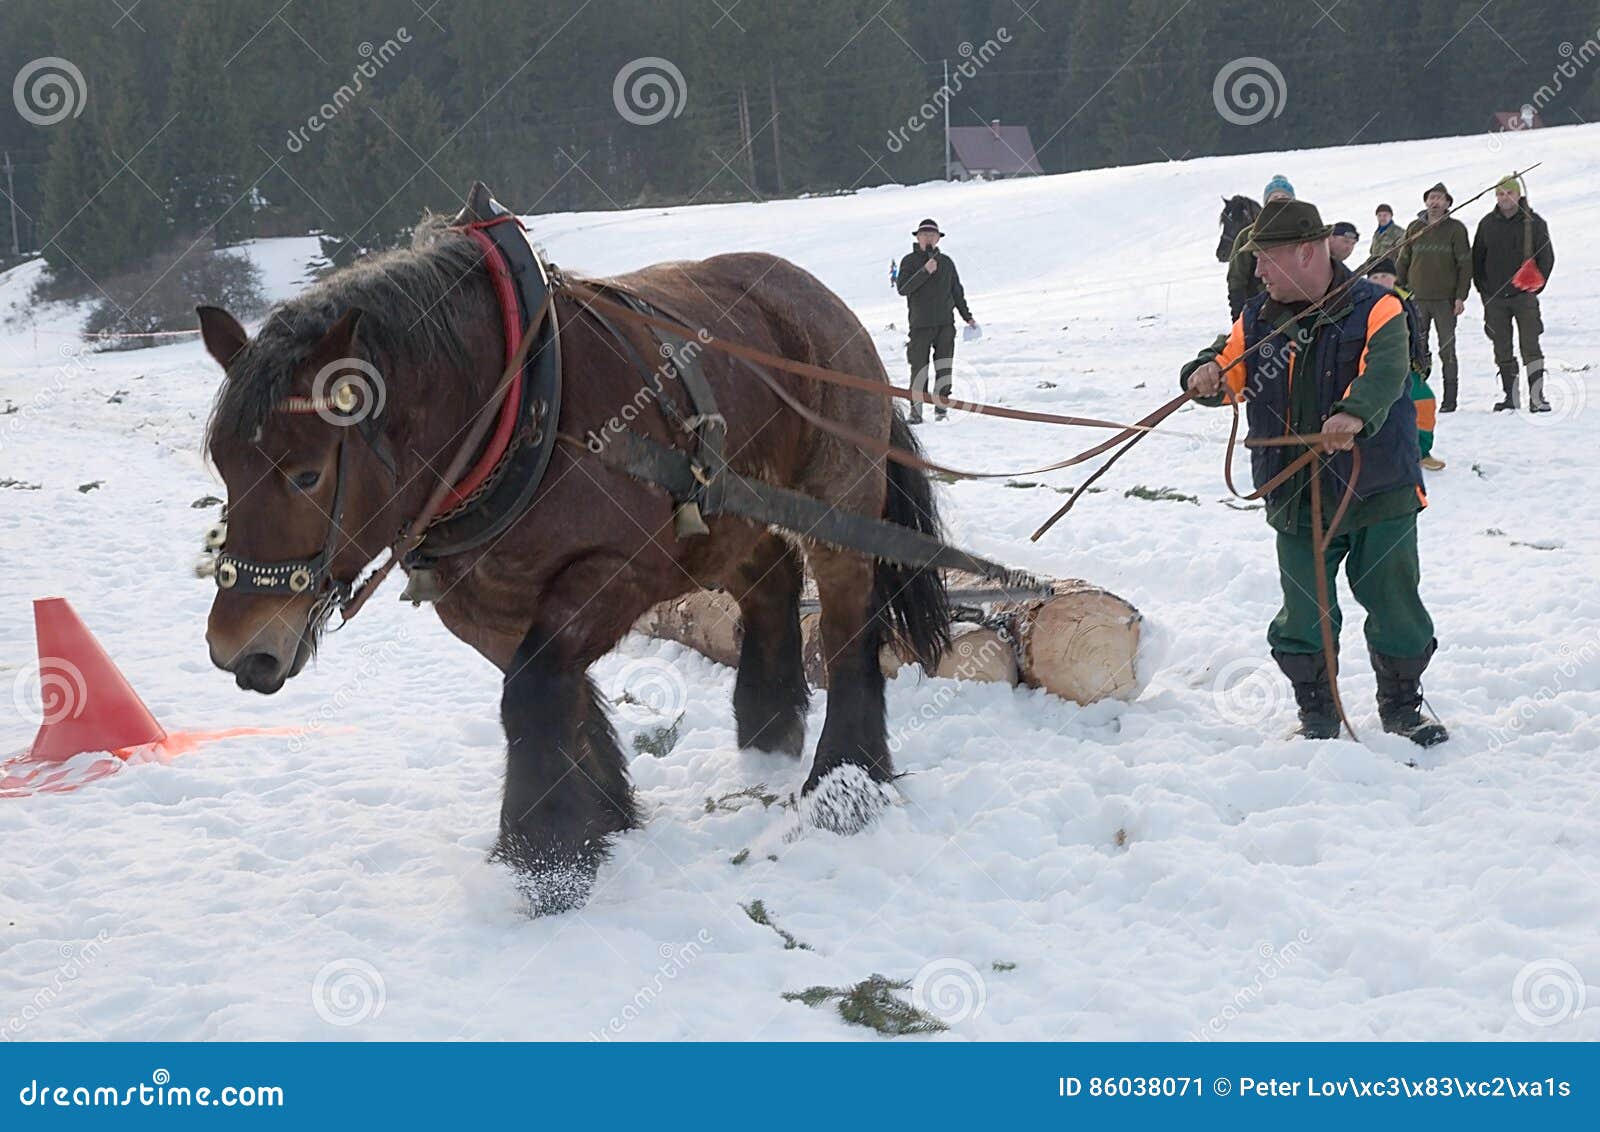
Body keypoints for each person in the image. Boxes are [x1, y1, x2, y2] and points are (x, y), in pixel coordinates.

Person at [1181, 199, 1447, 747]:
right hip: (1296, 492)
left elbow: (1387, 371)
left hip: (1379, 489)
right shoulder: (1256, 316)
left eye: (1264, 258)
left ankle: (1402, 709)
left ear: (1305, 252)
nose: (1256, 270)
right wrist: (1206, 374)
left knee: (1394, 603)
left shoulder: (1380, 306)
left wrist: (1354, 413)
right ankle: (1317, 714)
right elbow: (1230, 366)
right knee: (1304, 613)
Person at [1472, 174, 1555, 412]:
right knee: (1501, 347)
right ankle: (1510, 396)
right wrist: (1484, 290)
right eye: (1500, 194)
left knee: (1531, 345)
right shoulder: (1487, 224)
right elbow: (1477, 258)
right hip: (1495, 298)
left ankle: (1537, 397)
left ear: (1518, 195)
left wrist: (1536, 286)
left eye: (1509, 193)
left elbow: (1546, 257)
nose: (1504, 198)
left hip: (1524, 297)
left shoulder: (1534, 223)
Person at [1396, 183, 1472, 413]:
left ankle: (1450, 400)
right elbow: (1403, 260)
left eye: (1439, 198)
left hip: (1445, 302)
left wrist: (1460, 296)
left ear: (1448, 203)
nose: (1434, 202)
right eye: (1431, 198)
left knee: (1447, 350)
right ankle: (1418, 397)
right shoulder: (1414, 228)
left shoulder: (1456, 229)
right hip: (1416, 300)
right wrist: (1399, 291)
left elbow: (1465, 265)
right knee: (1416, 350)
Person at [1367, 257, 1445, 471]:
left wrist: (1423, 359)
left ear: (1394, 278)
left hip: (1408, 366)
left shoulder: (1406, 299)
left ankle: (1421, 452)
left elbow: (1418, 333)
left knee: (1424, 401)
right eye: (1375, 277)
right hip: (1376, 367)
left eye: (1384, 276)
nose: (1380, 281)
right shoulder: (1363, 301)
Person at [896, 218, 976, 423]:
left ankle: (941, 409)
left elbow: (956, 291)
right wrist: (924, 271)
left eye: (933, 235)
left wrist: (967, 316)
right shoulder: (909, 261)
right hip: (920, 325)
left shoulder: (946, 262)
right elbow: (903, 289)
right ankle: (916, 411)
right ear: (918, 238)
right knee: (918, 367)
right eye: (925, 235)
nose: (929, 238)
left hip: (945, 324)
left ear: (938, 239)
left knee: (944, 366)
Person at [1226, 174, 1295, 319]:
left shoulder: (1304, 232)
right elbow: (1236, 279)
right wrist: (1239, 315)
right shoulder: (1247, 236)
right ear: (1266, 203)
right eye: (1275, 197)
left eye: (1285, 197)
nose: (1280, 201)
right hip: (1260, 312)